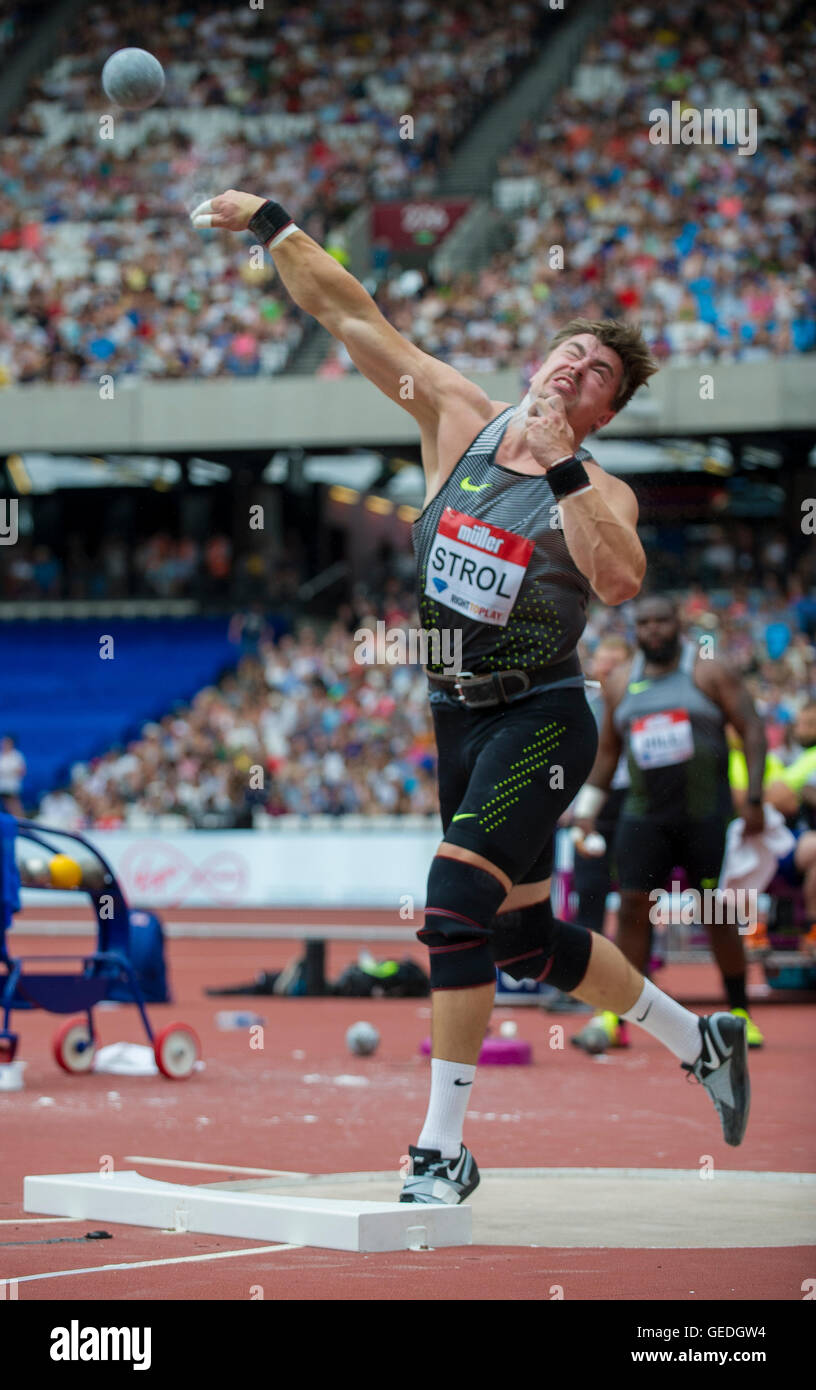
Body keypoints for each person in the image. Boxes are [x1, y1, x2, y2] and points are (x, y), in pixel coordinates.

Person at [191, 191, 753, 1205]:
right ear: (542, 361)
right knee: (523, 943)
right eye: (568, 354)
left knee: (452, 907)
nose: (573, 371)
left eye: (598, 377)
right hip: (456, 712)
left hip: (543, 717)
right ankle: (696, 1035)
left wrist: (567, 465)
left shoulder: (600, 486)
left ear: (603, 412)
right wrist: (274, 225)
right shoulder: (456, 415)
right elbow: (352, 313)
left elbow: (619, 580)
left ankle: (442, 1146)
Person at [572, 595, 767, 1054]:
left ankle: (739, 1012)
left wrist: (754, 797)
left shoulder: (708, 673)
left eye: (662, 621)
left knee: (716, 910)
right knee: (634, 908)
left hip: (705, 814)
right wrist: (585, 812)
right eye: (646, 623)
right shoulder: (621, 682)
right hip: (645, 817)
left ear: (677, 624)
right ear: (636, 630)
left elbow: (753, 730)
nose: (654, 629)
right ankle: (614, 1016)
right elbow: (606, 755)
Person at [0, 735, 26, 817]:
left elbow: (22, 771)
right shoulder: (1, 756)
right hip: (1, 786)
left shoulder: (16, 755)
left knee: (14, 808)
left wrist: (7, 772)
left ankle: (21, 827)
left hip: (11, 787)